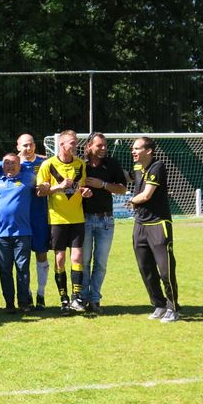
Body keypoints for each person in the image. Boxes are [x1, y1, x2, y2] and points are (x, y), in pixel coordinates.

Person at [37, 130, 93, 314]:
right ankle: (64, 299)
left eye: (76, 143)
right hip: (57, 219)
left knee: (77, 258)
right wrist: (58, 186)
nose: (75, 146)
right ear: (61, 145)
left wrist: (86, 192)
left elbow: (81, 187)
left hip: (77, 218)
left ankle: (77, 298)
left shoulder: (80, 165)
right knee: (60, 259)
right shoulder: (48, 165)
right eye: (72, 143)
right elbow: (40, 191)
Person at [128, 137, 180, 323]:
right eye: (132, 148)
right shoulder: (136, 167)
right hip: (140, 225)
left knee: (165, 270)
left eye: (137, 148)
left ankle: (173, 308)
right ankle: (158, 304)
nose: (133, 151)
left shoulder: (158, 166)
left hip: (158, 224)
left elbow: (146, 195)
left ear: (148, 150)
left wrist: (131, 201)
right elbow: (128, 179)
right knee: (145, 268)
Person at [80, 132, 128, 314]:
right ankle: (83, 299)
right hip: (83, 219)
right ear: (89, 147)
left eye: (105, 145)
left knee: (101, 263)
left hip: (106, 220)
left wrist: (103, 185)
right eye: (99, 145)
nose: (103, 149)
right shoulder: (80, 165)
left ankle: (95, 299)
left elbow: (123, 189)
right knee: (83, 262)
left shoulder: (112, 164)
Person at [0, 153, 35, 313]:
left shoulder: (29, 179)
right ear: (2, 166)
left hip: (23, 233)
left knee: (23, 269)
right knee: (5, 270)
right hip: (1, 235)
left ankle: (24, 303)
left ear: (19, 165)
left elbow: (41, 168)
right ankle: (9, 303)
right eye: (6, 163)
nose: (10, 166)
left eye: (13, 163)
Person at [15, 134, 51, 308]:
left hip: (39, 218)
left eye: (30, 145)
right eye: (24, 145)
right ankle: (26, 293)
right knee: (23, 258)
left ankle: (41, 294)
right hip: (21, 219)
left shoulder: (45, 163)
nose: (27, 148)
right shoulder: (12, 164)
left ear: (35, 147)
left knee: (41, 254)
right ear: (18, 147)